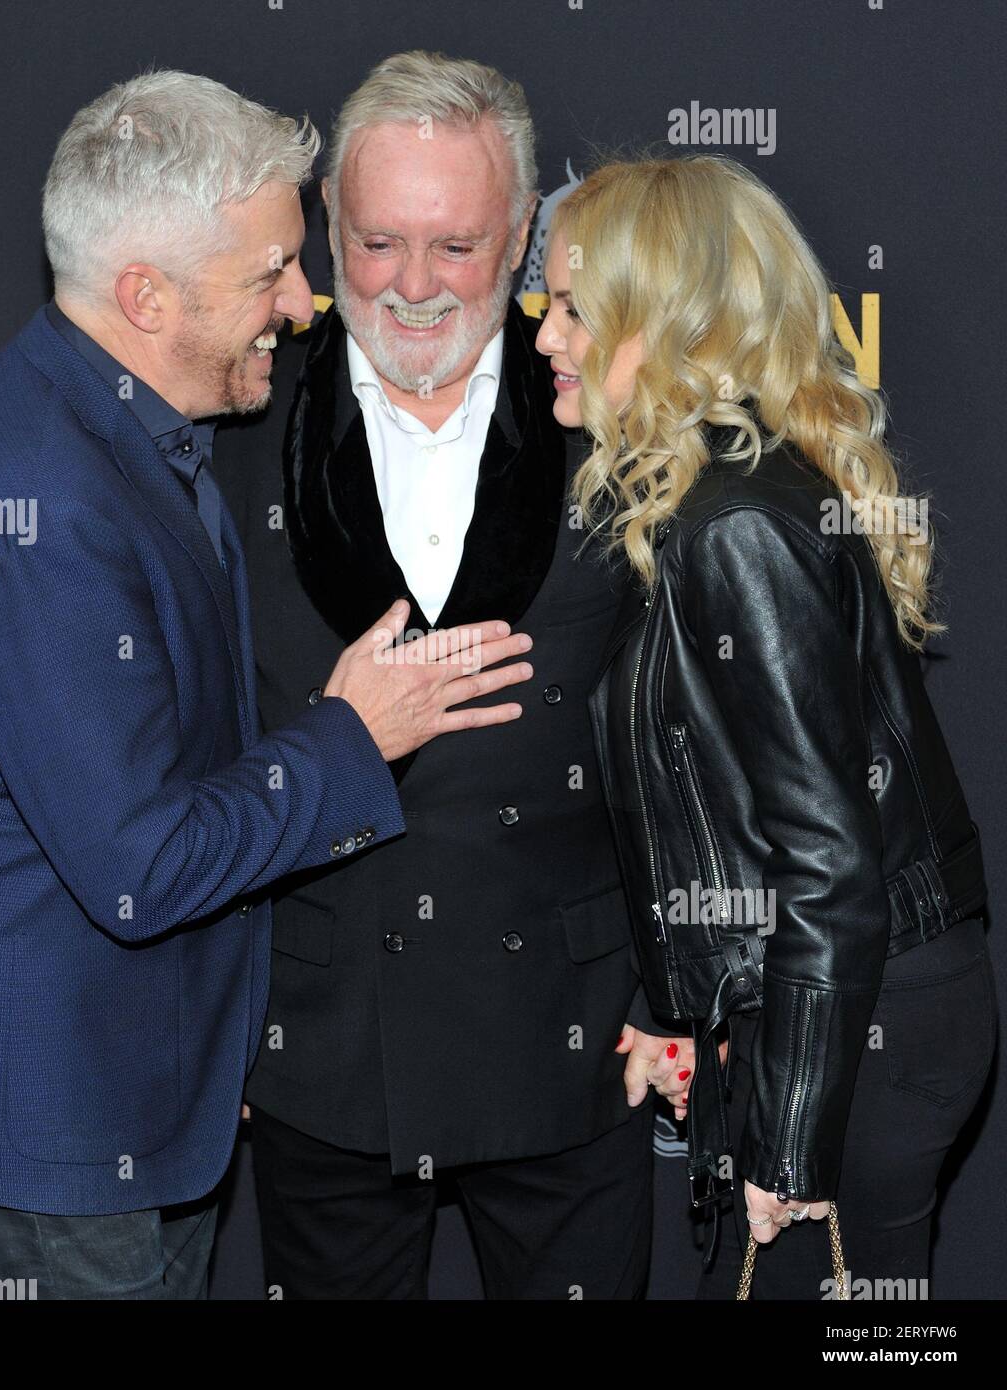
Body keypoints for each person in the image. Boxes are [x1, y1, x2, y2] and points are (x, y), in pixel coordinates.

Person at [0, 70, 534, 1301]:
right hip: (51, 1123)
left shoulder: (126, 424)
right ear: (145, 294)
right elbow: (140, 865)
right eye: (269, 271)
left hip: (139, 1087)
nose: (303, 296)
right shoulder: (46, 504)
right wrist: (348, 736)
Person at [214, 51, 694, 1301]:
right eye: (377, 242)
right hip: (319, 1056)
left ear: (526, 232)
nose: (414, 287)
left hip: (578, 1046)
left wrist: (679, 983)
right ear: (326, 231)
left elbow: (702, 737)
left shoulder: (627, 421)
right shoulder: (227, 433)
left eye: (458, 247)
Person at [537, 153, 995, 1298]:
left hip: (864, 1026)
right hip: (833, 1006)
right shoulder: (716, 497)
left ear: (665, 322)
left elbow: (828, 860)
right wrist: (692, 1012)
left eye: (574, 310)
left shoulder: (732, 524)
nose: (544, 336)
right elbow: (737, 816)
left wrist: (787, 1142)